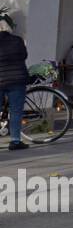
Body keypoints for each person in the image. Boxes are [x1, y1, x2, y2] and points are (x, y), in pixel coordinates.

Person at [0, 11, 30, 151]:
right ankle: (15, 141)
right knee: (16, 111)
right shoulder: (17, 40)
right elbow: (24, 55)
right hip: (17, 80)